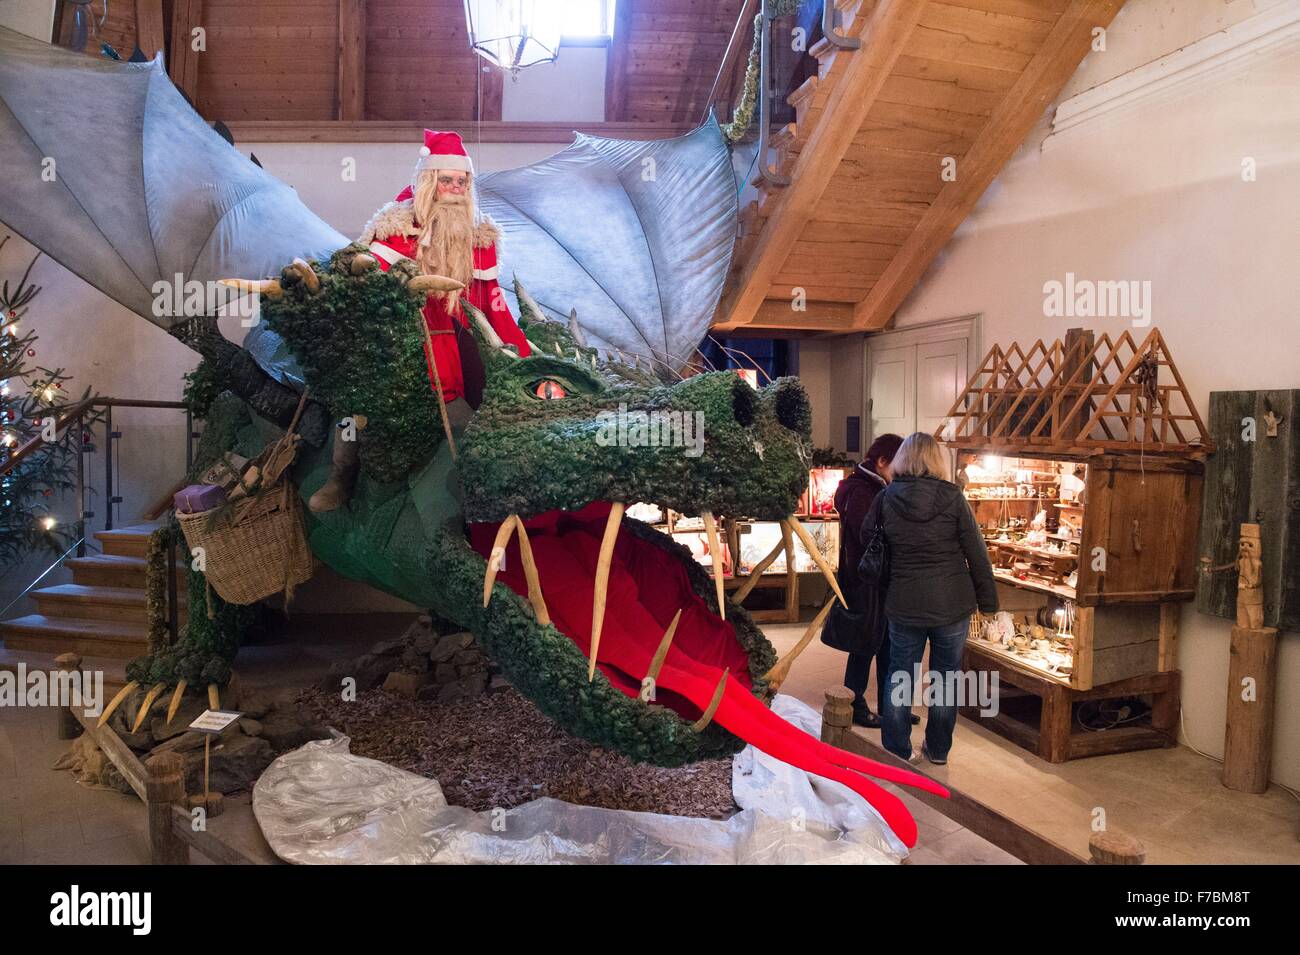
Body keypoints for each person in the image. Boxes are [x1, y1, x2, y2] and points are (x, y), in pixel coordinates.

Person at [311, 129, 532, 513]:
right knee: (355, 403)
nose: (456, 188)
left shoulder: (478, 240)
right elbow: (365, 296)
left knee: (469, 424)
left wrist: (525, 359)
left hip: (449, 353)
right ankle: (341, 473)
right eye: (447, 179)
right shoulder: (393, 232)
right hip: (394, 344)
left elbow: (492, 306)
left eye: (463, 181)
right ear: (430, 181)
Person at [865, 431, 997, 764]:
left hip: (904, 601)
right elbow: (976, 553)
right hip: (952, 604)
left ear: (902, 459)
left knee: (899, 677)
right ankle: (937, 749)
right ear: (936, 460)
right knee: (947, 678)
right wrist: (989, 601)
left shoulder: (886, 498)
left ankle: (897, 750)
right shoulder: (953, 498)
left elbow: (870, 539)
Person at [832, 433, 911, 728]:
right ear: (881, 462)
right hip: (865, 580)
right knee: (865, 645)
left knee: (886, 645)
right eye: (897, 466)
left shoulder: (872, 487)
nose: (900, 473)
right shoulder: (862, 490)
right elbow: (869, 538)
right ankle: (854, 703)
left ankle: (890, 706)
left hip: (875, 580)